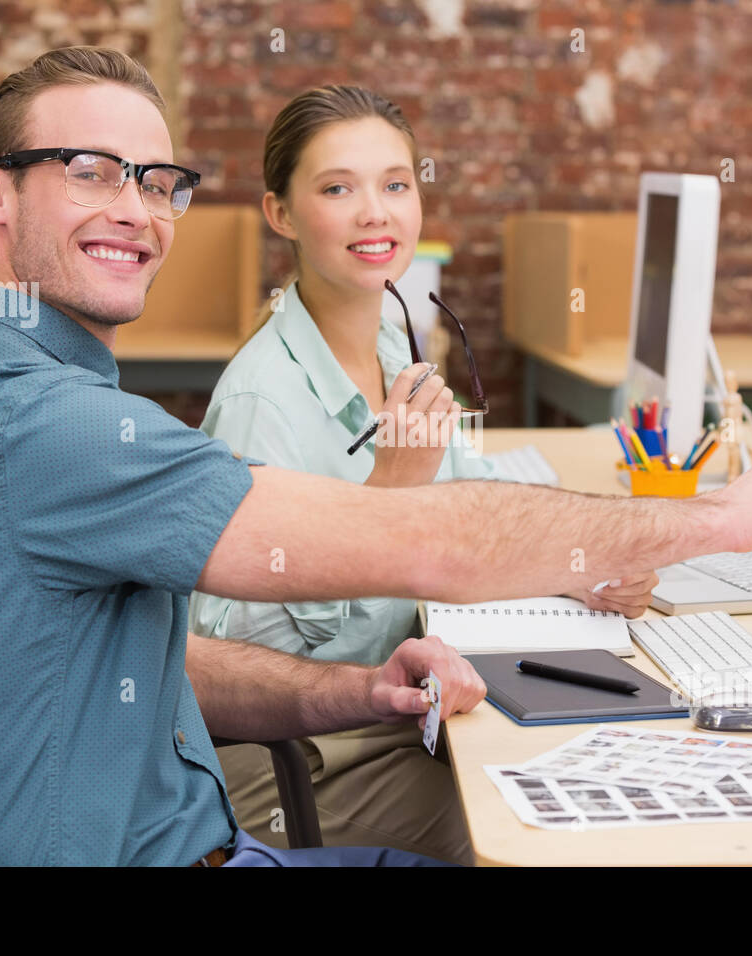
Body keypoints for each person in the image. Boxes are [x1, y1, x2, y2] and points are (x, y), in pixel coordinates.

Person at [0, 47, 752, 867]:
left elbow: (157, 668)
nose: (137, 209)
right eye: (90, 170)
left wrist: (351, 688)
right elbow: (436, 542)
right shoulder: (52, 429)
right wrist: (724, 519)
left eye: (156, 181)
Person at [186, 85, 651, 861]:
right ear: (282, 214)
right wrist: (393, 490)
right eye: (338, 188)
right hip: (312, 765)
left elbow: (475, 520)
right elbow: (237, 661)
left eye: (396, 184)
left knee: (615, 780)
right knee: (555, 837)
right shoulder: (260, 400)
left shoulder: (398, 354)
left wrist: (570, 570)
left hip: (412, 723)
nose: (377, 212)